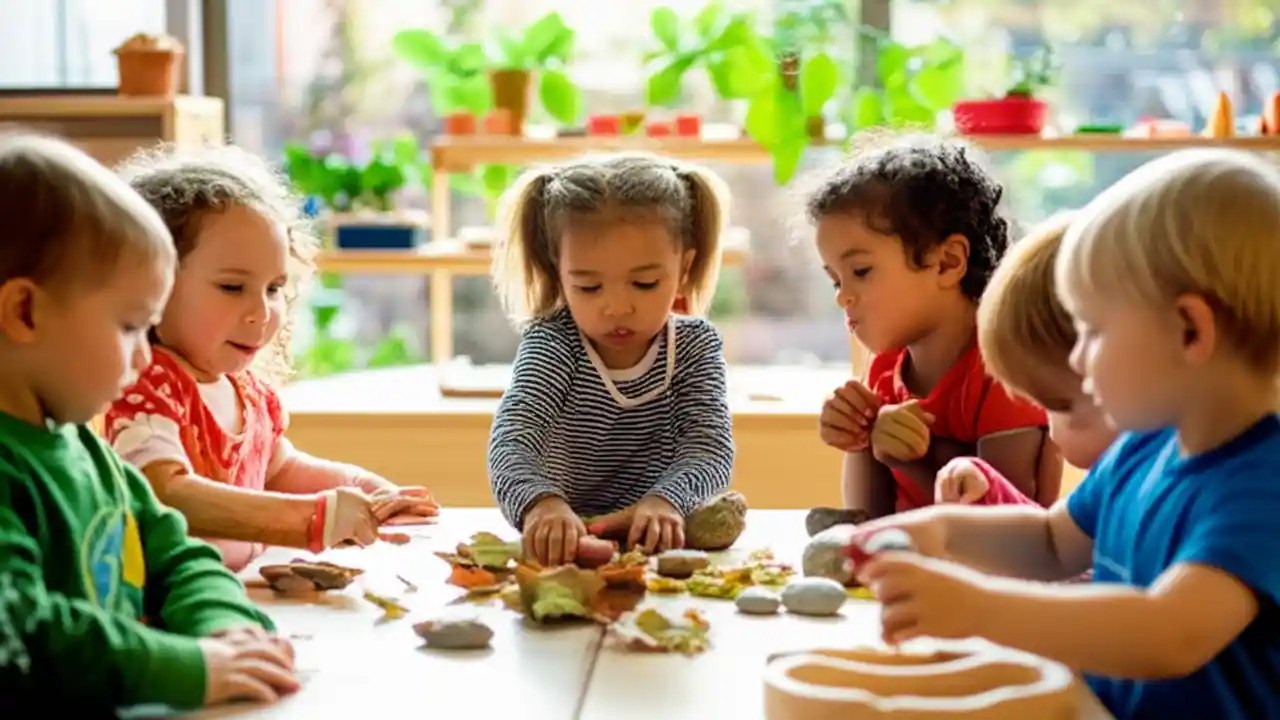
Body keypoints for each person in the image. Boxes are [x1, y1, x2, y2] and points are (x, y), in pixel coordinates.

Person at [858, 149, 1280, 719]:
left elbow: (1168, 635)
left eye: (1093, 330)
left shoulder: (1260, 486)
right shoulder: (1144, 447)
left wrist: (976, 607)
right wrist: (933, 533)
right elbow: (1052, 542)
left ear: (1189, 330)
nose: (1078, 359)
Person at [0, 132, 299, 709]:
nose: (145, 356)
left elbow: (176, 554)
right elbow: (29, 633)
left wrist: (226, 627)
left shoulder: (87, 455)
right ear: (24, 312)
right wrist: (187, 667)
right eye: (130, 326)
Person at [105, 144, 437, 572]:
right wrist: (315, 519)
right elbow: (163, 492)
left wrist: (365, 487)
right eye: (231, 287)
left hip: (234, 596)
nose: (261, 312)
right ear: (152, 283)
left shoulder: (246, 392)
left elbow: (281, 470)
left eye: (274, 288)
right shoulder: (143, 382)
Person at [487, 152, 734, 565]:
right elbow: (513, 440)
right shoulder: (553, 344)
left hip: (657, 541)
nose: (617, 308)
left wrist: (667, 500)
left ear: (684, 268)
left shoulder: (694, 347)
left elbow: (708, 447)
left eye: (644, 283)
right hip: (568, 544)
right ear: (558, 274)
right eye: (588, 287)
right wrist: (542, 505)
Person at [810, 133, 1053, 520]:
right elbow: (864, 518)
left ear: (947, 262)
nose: (843, 297)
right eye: (836, 280)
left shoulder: (1004, 367)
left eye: (861, 271)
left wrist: (905, 462)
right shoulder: (885, 370)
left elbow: (1003, 527)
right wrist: (858, 437)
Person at [934, 213, 1116, 506]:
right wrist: (989, 490)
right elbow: (1054, 541)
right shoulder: (1109, 484)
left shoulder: (1171, 498)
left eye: (1060, 407)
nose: (1051, 435)